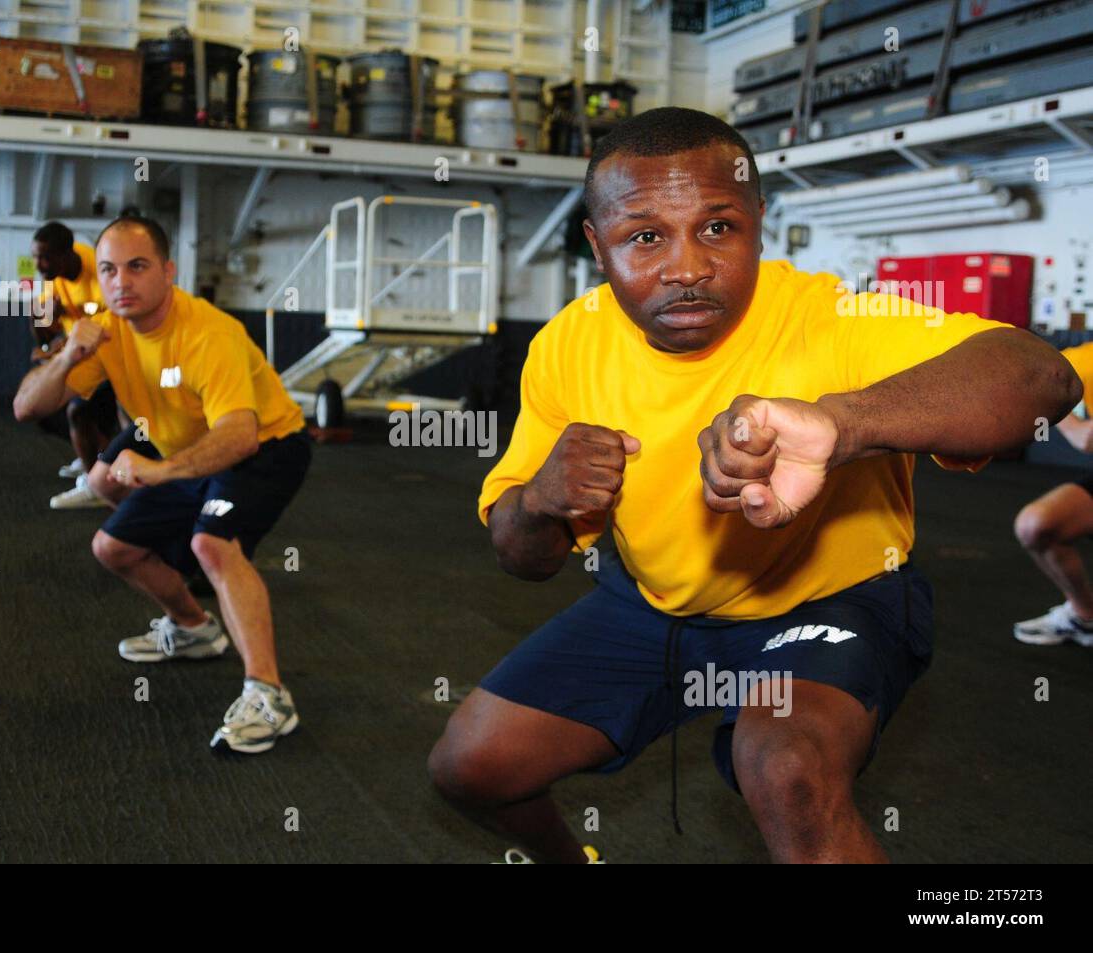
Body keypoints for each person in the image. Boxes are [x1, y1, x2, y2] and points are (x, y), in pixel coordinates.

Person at [427, 107, 1082, 863]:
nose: (687, 267)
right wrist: (542, 497)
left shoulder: (830, 313)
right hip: (652, 604)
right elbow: (521, 555)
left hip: (828, 602)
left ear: (759, 225)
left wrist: (841, 422)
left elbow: (1043, 374)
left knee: (788, 769)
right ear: (597, 246)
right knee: (470, 766)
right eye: (645, 237)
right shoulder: (567, 345)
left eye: (717, 228)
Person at [13, 215, 312, 754]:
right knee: (113, 547)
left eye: (137, 267)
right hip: (181, 443)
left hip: (266, 446)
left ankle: (269, 695)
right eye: (108, 270)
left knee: (212, 544)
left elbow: (240, 435)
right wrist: (66, 356)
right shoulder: (105, 331)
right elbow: (26, 407)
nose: (121, 282)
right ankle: (195, 627)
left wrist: (162, 472)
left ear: (168, 272)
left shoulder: (208, 334)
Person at [29, 221, 116, 509]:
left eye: (45, 257)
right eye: (36, 257)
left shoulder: (100, 269)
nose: (40, 265)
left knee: (80, 411)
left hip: (117, 354)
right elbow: (43, 328)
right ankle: (96, 461)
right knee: (44, 407)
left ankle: (97, 484)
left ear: (67, 254)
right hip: (83, 356)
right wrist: (45, 326)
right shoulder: (53, 276)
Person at [1012, 340, 1093, 646]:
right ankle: (1085, 617)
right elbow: (1037, 383)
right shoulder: (1084, 359)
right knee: (1036, 526)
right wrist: (1073, 427)